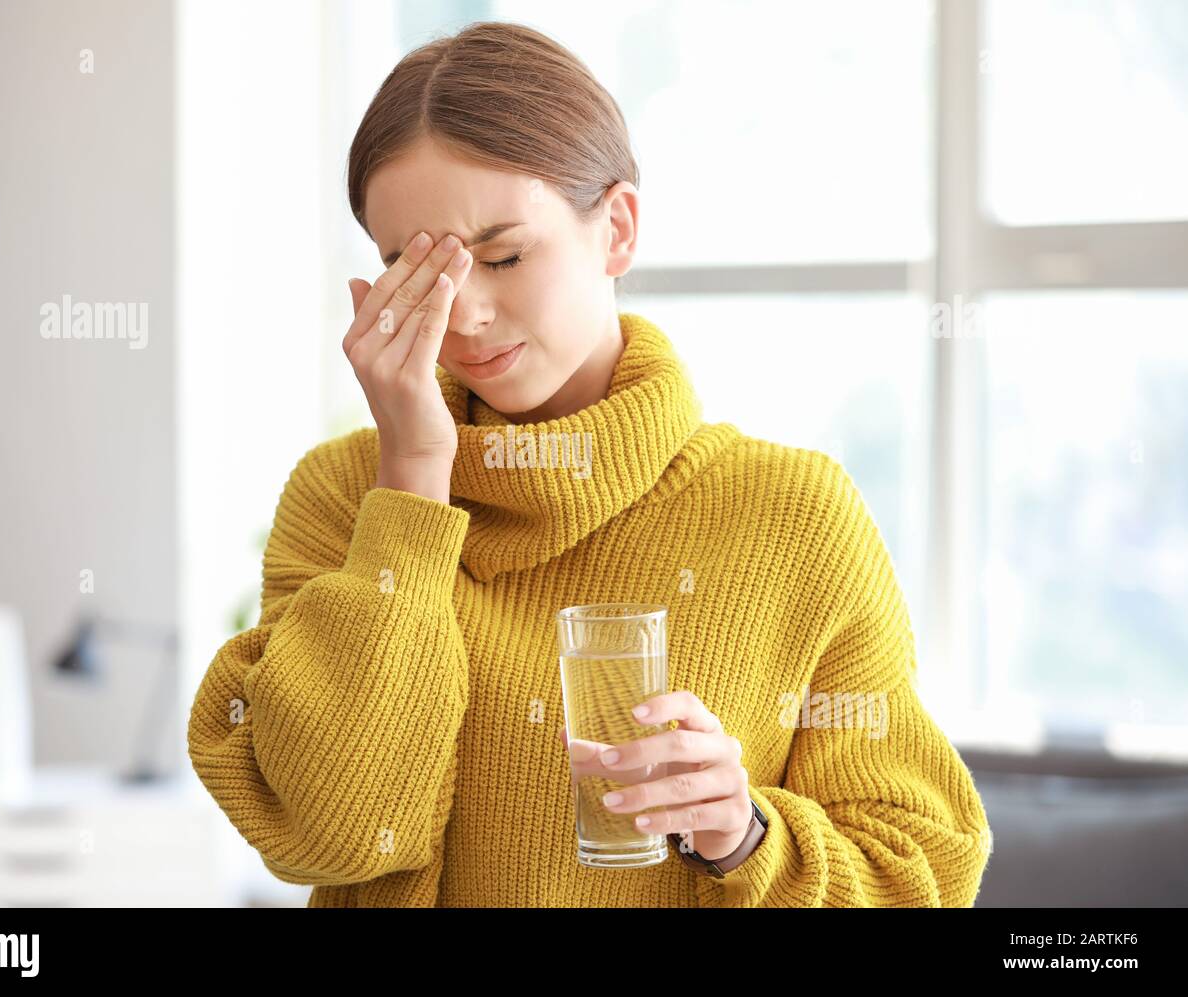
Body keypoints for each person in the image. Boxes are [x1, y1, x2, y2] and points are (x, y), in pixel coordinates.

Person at [186, 20, 991, 908]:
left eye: (503, 255)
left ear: (616, 229)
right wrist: (413, 473)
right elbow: (333, 830)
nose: (465, 314)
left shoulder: (792, 513)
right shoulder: (346, 495)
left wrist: (744, 835)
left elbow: (925, 875)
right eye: (411, 270)